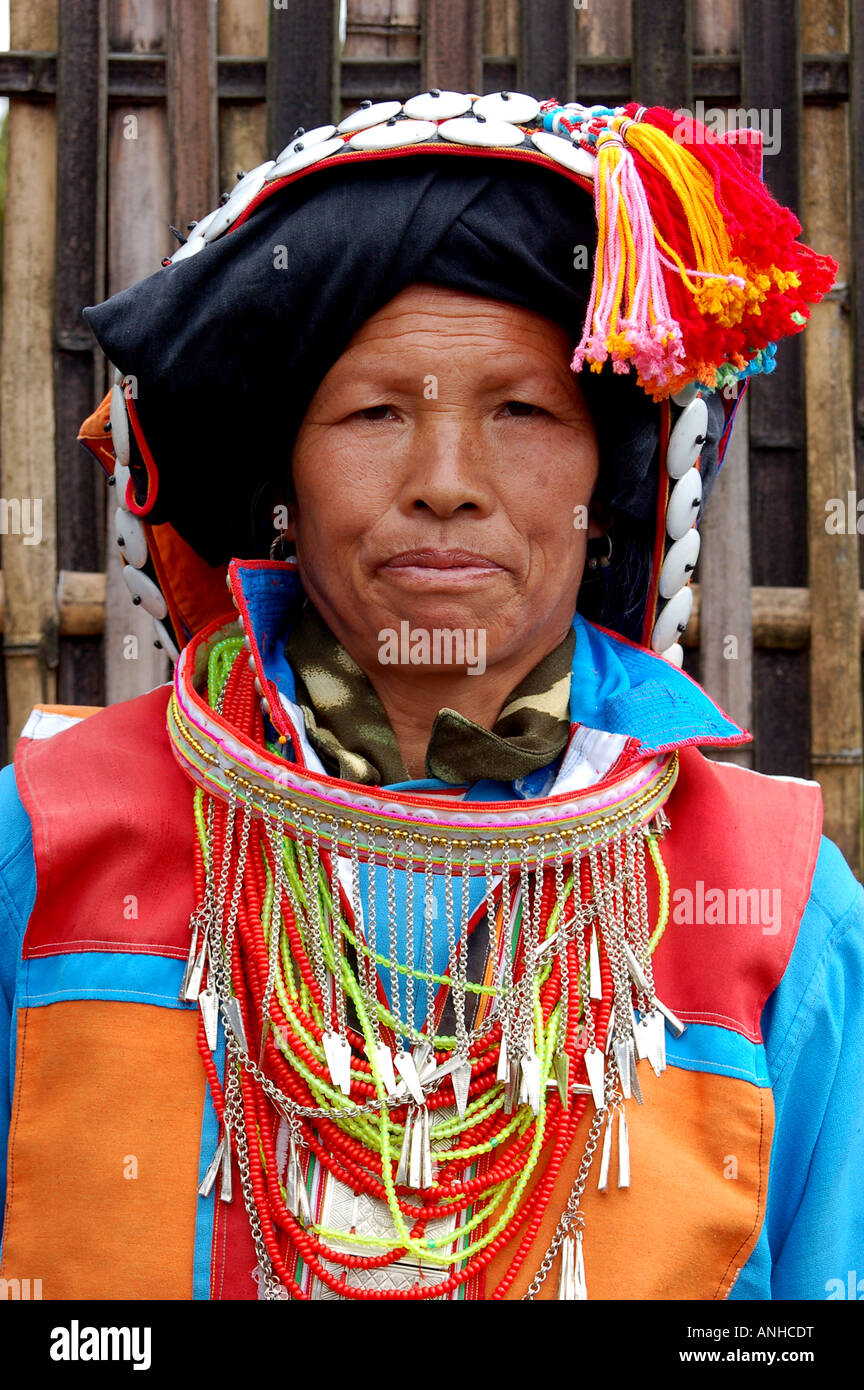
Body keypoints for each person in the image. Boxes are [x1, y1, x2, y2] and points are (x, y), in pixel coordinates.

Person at [0, 91, 860, 1302]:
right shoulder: (44, 845)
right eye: (374, 412)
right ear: (281, 476)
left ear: (603, 484)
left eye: (520, 411)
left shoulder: (777, 902)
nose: (447, 482)